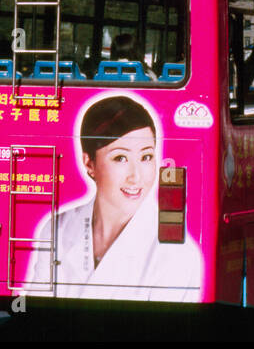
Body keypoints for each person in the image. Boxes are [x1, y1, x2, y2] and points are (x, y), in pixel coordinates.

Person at [25, 95, 202, 300]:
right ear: (89, 163)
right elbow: (36, 304)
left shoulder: (178, 254)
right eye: (120, 158)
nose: (136, 176)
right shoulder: (58, 227)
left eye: (146, 157)